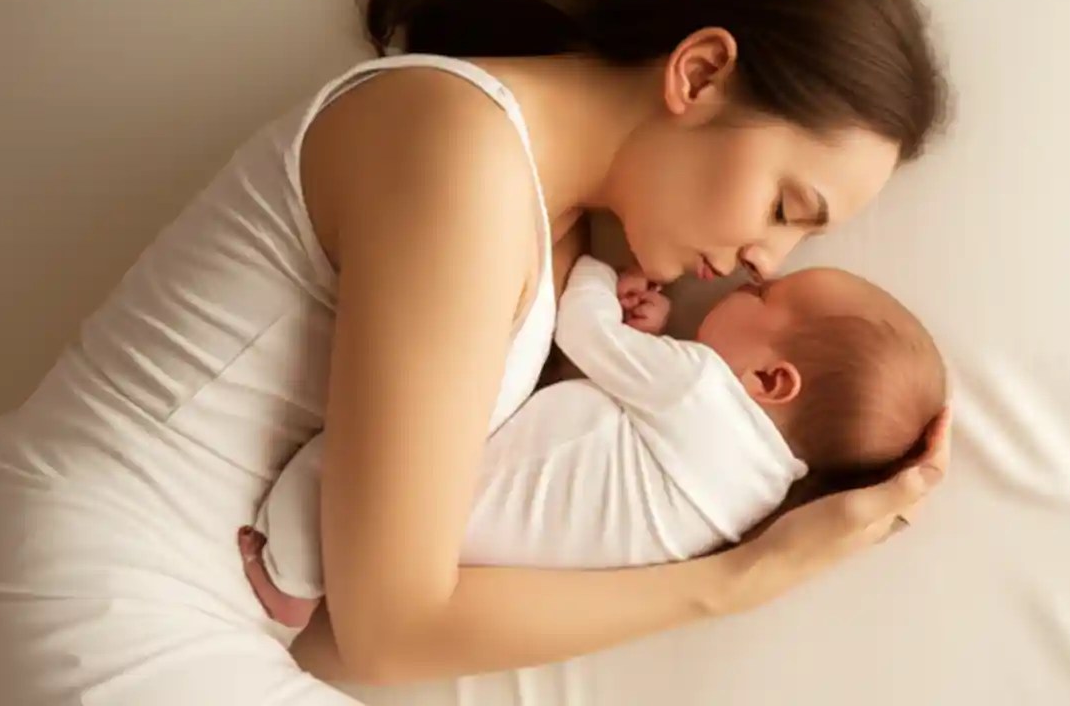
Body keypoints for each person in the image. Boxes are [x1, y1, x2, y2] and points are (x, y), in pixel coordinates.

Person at [0, 0, 951, 703]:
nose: (758, 259)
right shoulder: (455, 147)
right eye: (784, 206)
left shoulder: (551, 224)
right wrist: (742, 580)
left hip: (180, 607)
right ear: (697, 72)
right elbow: (392, 629)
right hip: (90, 589)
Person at [239, 256, 948, 629]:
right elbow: (606, 461)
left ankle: (290, 579)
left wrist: (604, 275)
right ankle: (312, 587)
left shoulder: (697, 386)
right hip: (486, 557)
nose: (743, 284)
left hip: (454, 484)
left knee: (349, 458)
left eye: (761, 298)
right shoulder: (753, 502)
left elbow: (581, 331)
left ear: (769, 378)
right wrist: (647, 340)